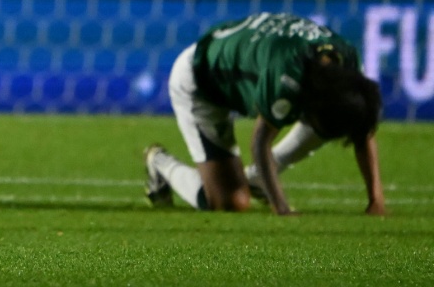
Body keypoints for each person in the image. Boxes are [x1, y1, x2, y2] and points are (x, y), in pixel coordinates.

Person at [144, 12, 386, 216]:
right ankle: (160, 162)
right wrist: (281, 207)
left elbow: (362, 126)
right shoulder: (286, 77)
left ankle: (257, 179)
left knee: (345, 115)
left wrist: (376, 200)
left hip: (239, 59)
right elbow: (260, 142)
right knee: (231, 202)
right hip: (201, 81)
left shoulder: (347, 62)